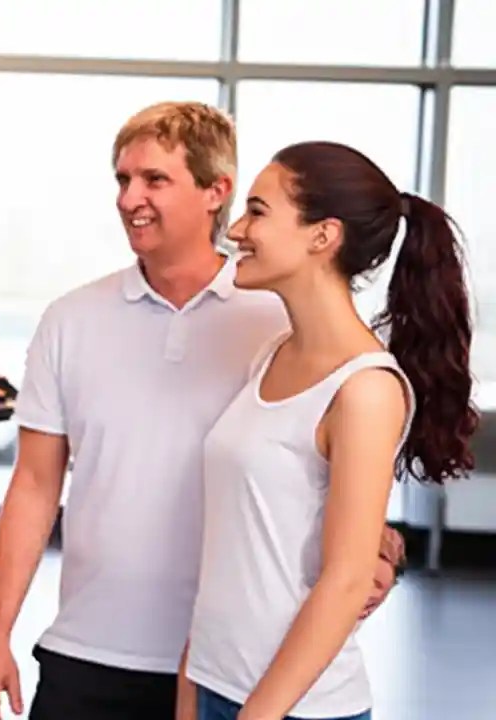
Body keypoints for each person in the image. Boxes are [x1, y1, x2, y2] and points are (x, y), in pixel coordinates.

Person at [0, 102, 405, 720]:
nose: (129, 198)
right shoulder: (70, 319)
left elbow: (335, 476)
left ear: (216, 191)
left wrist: (378, 553)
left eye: (154, 179)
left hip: (231, 667)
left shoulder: (280, 325)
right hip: (92, 650)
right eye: (123, 179)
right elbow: (35, 484)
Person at [179, 142, 477, 720]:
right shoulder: (270, 355)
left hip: (293, 708)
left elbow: (345, 582)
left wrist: (257, 715)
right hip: (216, 682)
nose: (236, 231)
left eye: (257, 211)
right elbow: (237, 542)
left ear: (323, 235)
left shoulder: (366, 390)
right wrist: (192, 682)